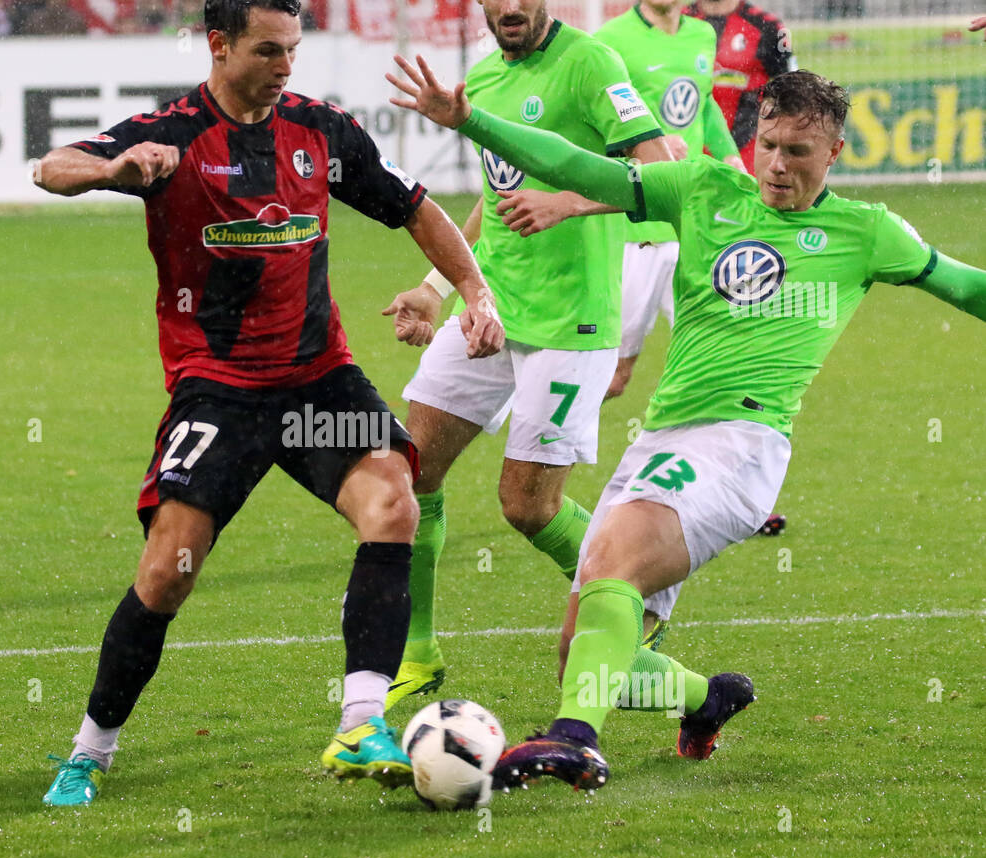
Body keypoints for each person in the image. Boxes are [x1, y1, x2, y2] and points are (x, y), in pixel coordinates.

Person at [388, 56, 986, 790]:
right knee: (592, 649)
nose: (775, 164)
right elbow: (581, 166)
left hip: (741, 443)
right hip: (665, 437)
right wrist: (468, 119)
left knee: (611, 568)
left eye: (797, 152)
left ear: (833, 153)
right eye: (767, 144)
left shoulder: (867, 232)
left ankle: (576, 742)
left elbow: (966, 285)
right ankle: (709, 698)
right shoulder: (704, 186)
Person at [33, 0, 503, 807]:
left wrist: (472, 290)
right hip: (217, 389)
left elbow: (415, 208)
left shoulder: (320, 133)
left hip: (318, 378)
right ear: (218, 46)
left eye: (293, 50)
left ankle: (361, 722)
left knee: (393, 504)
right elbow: (51, 166)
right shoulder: (174, 135)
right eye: (266, 51)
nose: (286, 67)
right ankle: (90, 750)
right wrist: (113, 172)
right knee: (168, 570)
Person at [379, 0, 672, 712]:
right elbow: (492, 199)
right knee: (408, 471)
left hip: (573, 322)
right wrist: (436, 287)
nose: (510, 7)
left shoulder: (591, 63)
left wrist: (572, 201)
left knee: (527, 507)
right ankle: (415, 654)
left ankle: (640, 600)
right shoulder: (478, 81)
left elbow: (665, 170)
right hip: (493, 310)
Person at [597, 0, 743, 405]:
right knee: (613, 378)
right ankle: (549, 438)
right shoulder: (610, 41)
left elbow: (705, 101)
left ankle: (705, 452)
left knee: (716, 360)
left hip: (692, 219)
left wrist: (727, 151)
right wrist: (645, 147)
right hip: (637, 229)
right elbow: (594, 122)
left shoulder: (702, 34)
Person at [684, 1, 796, 175]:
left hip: (747, 157)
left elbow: (792, 93)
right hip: (687, 154)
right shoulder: (677, 22)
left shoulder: (768, 27)